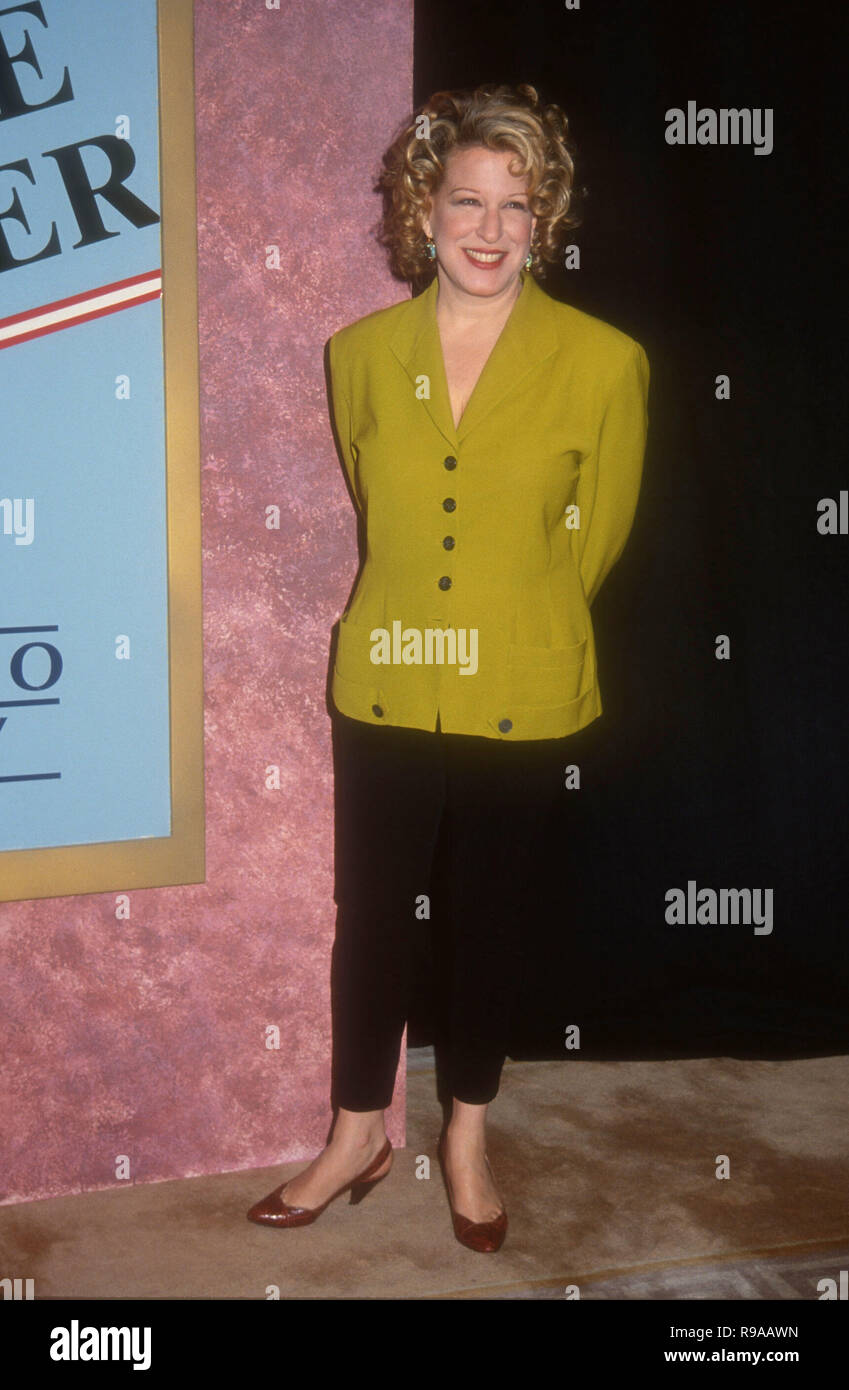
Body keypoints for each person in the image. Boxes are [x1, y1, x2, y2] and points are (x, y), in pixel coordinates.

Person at [247, 83, 650, 1252]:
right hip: (384, 675)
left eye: (515, 206)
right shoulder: (359, 355)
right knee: (369, 917)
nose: (487, 228)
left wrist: (509, 621)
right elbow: (384, 511)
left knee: (490, 921)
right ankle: (356, 1130)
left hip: (523, 683)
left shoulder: (605, 361)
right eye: (464, 200)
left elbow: (596, 538)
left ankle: (465, 1134)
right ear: (422, 212)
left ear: (546, 218)